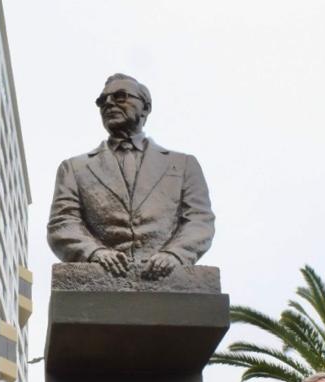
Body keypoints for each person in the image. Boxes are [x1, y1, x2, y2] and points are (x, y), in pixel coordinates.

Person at [47, 73, 215, 280]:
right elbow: (63, 223)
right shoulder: (74, 168)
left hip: (166, 274)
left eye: (120, 96)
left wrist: (175, 254)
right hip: (102, 275)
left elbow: (199, 219)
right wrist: (94, 252)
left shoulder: (183, 165)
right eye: (102, 101)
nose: (108, 103)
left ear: (145, 107)